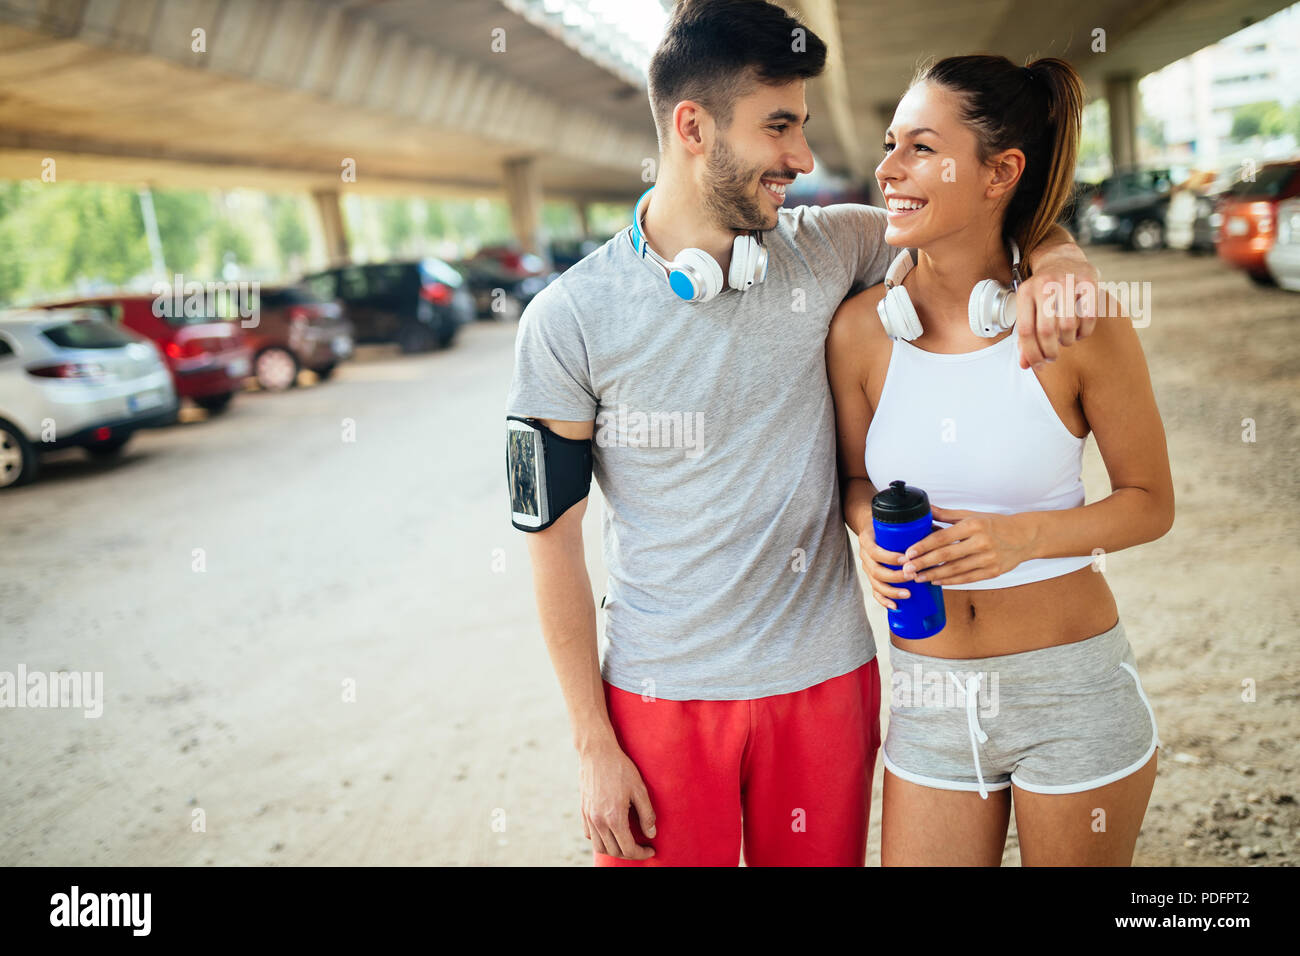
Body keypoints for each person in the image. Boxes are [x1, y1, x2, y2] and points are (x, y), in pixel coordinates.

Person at [506, 0, 1101, 867]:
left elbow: (978, 216)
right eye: (778, 127)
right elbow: (550, 544)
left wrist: (1059, 257)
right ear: (692, 126)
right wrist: (593, 744)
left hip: (827, 686)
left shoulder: (836, 247)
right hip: (660, 698)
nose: (804, 158)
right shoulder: (566, 320)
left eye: (804, 126)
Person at [827, 54, 1174, 866]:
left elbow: (1150, 502)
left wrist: (1021, 539)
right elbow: (852, 482)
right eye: (890, 145)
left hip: (1072, 694)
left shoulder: (1080, 324)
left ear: (1000, 172)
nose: (888, 168)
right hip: (927, 698)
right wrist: (868, 532)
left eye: (920, 147)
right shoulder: (859, 334)